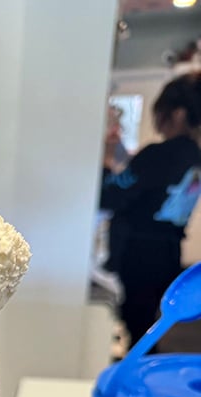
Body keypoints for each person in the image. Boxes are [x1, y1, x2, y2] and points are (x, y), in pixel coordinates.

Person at [101, 73, 201, 349]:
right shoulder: (194, 156)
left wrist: (107, 158)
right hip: (168, 254)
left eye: (160, 113)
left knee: (136, 325)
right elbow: (147, 185)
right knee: (147, 324)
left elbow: (110, 196)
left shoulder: (160, 154)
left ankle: (135, 380)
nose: (157, 122)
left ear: (178, 114)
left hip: (138, 256)